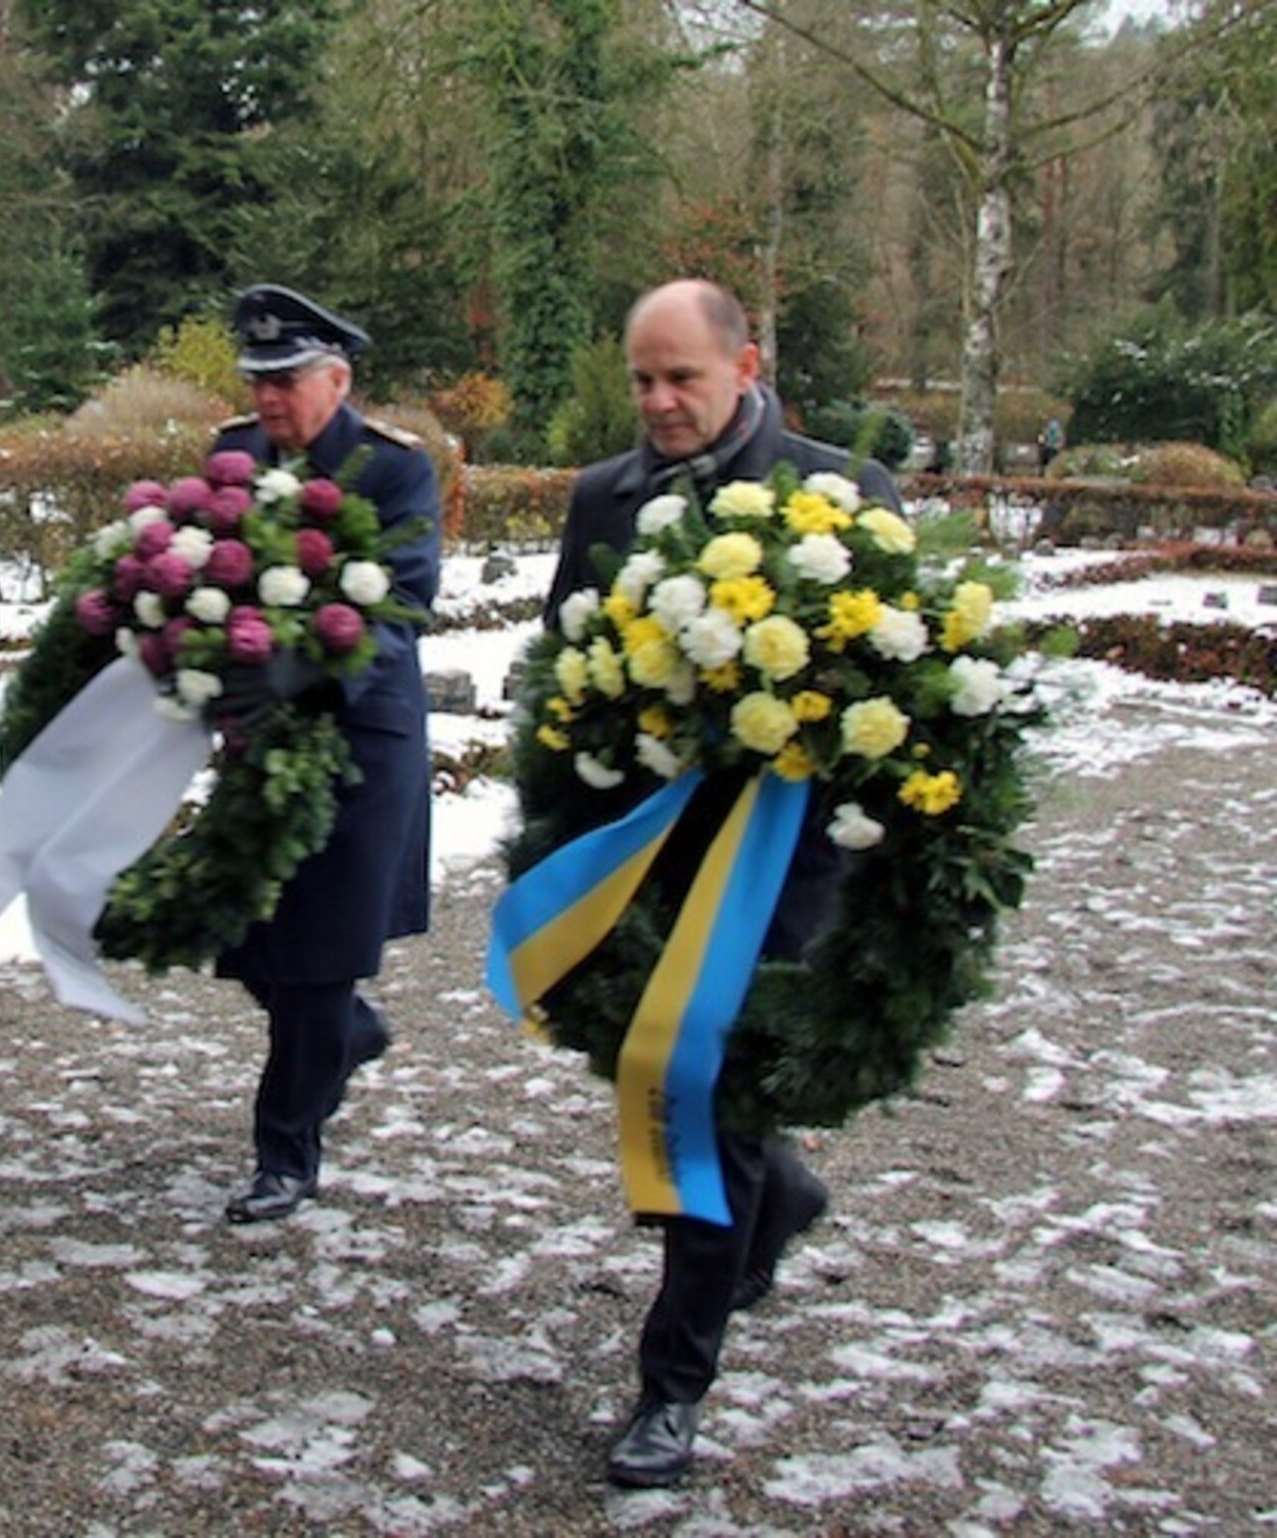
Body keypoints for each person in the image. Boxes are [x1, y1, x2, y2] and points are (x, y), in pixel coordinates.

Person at [547, 278, 902, 1487]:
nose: (656, 401)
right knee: (687, 1084)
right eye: (639, 379)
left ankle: (670, 1382)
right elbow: (567, 673)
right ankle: (782, 1195)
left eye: (680, 377)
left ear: (743, 365)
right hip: (649, 856)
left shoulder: (839, 496)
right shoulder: (601, 497)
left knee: (705, 1095)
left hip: (785, 862)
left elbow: (898, 710)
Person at [205, 284, 441, 1223]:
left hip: (358, 741)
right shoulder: (230, 454)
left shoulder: (391, 470)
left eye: (288, 379)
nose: (269, 398)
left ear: (337, 379)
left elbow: (406, 604)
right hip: (257, 741)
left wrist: (297, 671)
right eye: (258, 379)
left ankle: (286, 1151)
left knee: (316, 956)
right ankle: (345, 1034)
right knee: (250, 938)